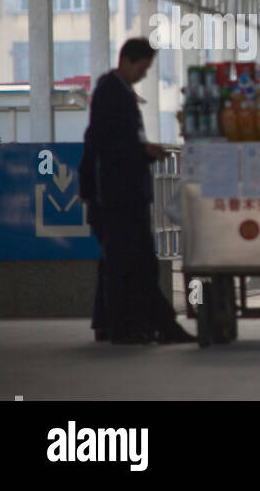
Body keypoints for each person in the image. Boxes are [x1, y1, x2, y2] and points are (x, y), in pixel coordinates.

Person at [80, 38, 195, 345]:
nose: (144, 75)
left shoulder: (117, 91)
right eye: (143, 69)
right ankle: (142, 326)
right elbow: (106, 143)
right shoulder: (111, 92)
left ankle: (112, 325)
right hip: (118, 194)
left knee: (118, 262)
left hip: (118, 192)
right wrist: (144, 151)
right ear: (128, 60)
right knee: (137, 262)